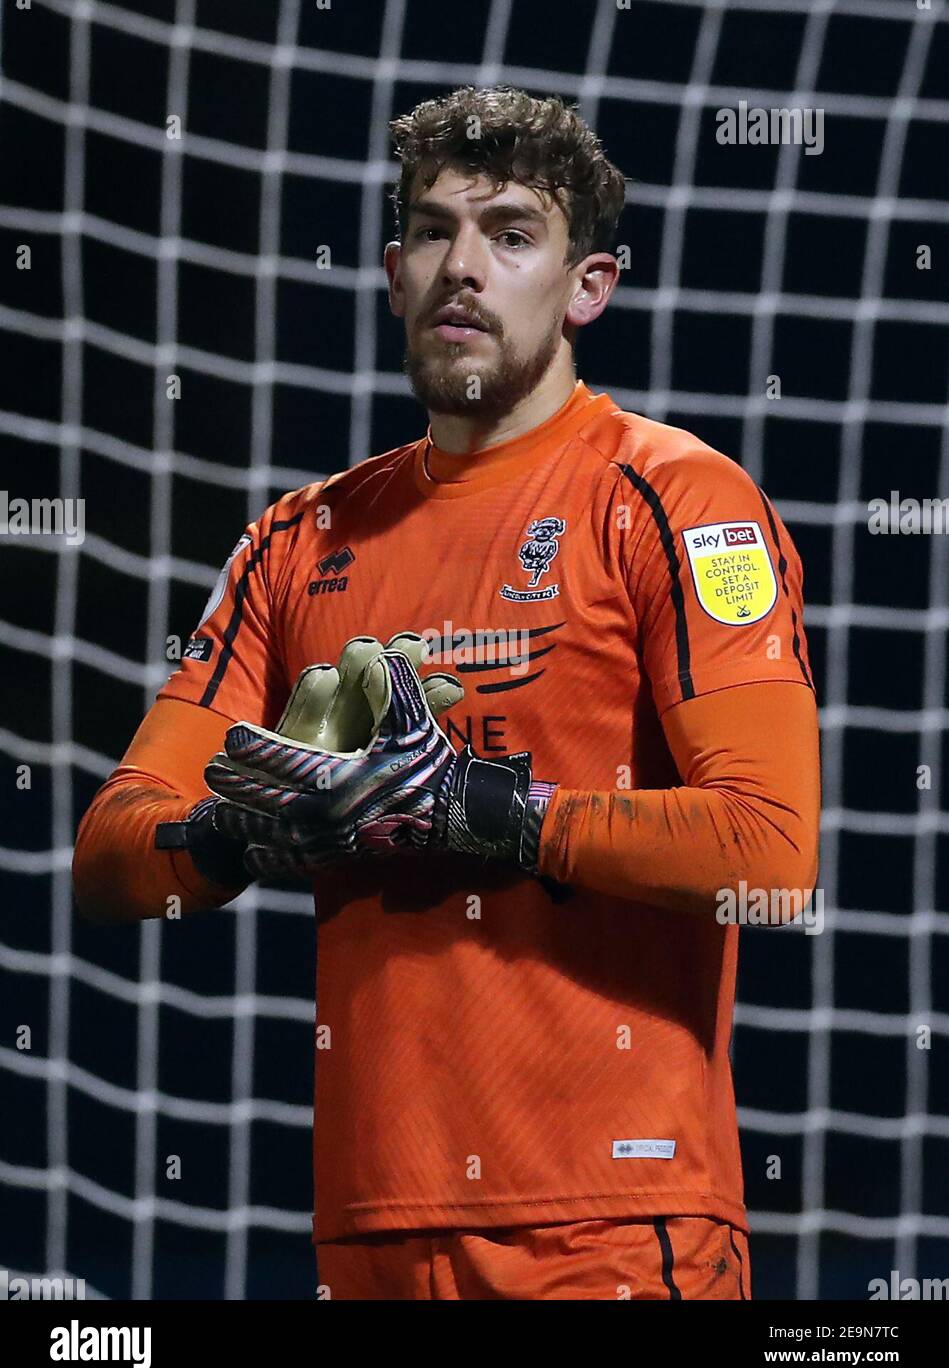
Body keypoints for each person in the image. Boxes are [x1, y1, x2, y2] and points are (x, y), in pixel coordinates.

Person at [73, 85, 820, 1300]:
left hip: (614, 1227)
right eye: (432, 232)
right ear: (390, 270)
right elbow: (109, 855)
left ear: (588, 288)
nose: (461, 267)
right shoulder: (298, 539)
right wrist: (245, 833)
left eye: (510, 234)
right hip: (368, 1226)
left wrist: (500, 813)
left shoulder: (676, 501)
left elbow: (772, 851)